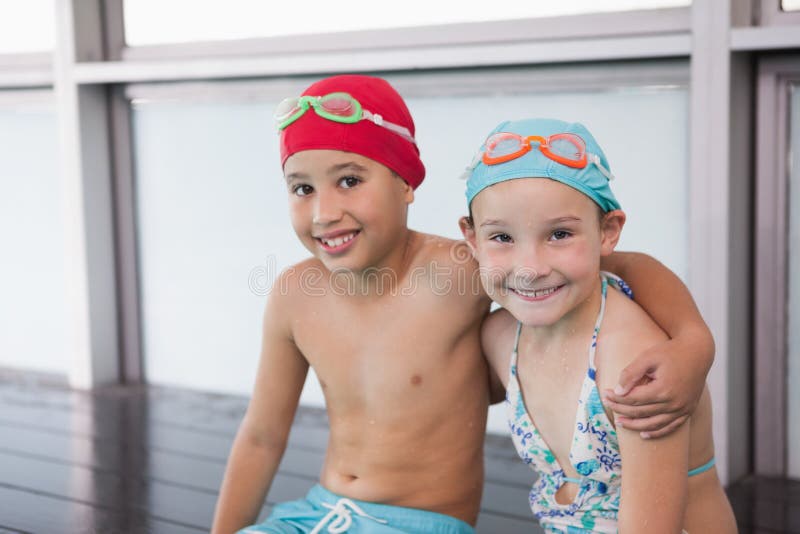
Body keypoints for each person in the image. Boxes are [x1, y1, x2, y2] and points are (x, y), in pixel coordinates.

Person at [211, 75, 716, 534]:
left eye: (349, 180)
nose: (324, 212)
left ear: (406, 183)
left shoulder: (461, 270)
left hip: (419, 522)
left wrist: (694, 342)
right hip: (318, 511)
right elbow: (261, 436)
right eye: (302, 188)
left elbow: (618, 264)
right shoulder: (294, 294)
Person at [460, 118, 737, 532]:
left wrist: (695, 339)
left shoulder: (632, 363)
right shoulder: (499, 336)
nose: (530, 268)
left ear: (608, 232)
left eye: (559, 234)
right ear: (472, 239)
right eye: (502, 238)